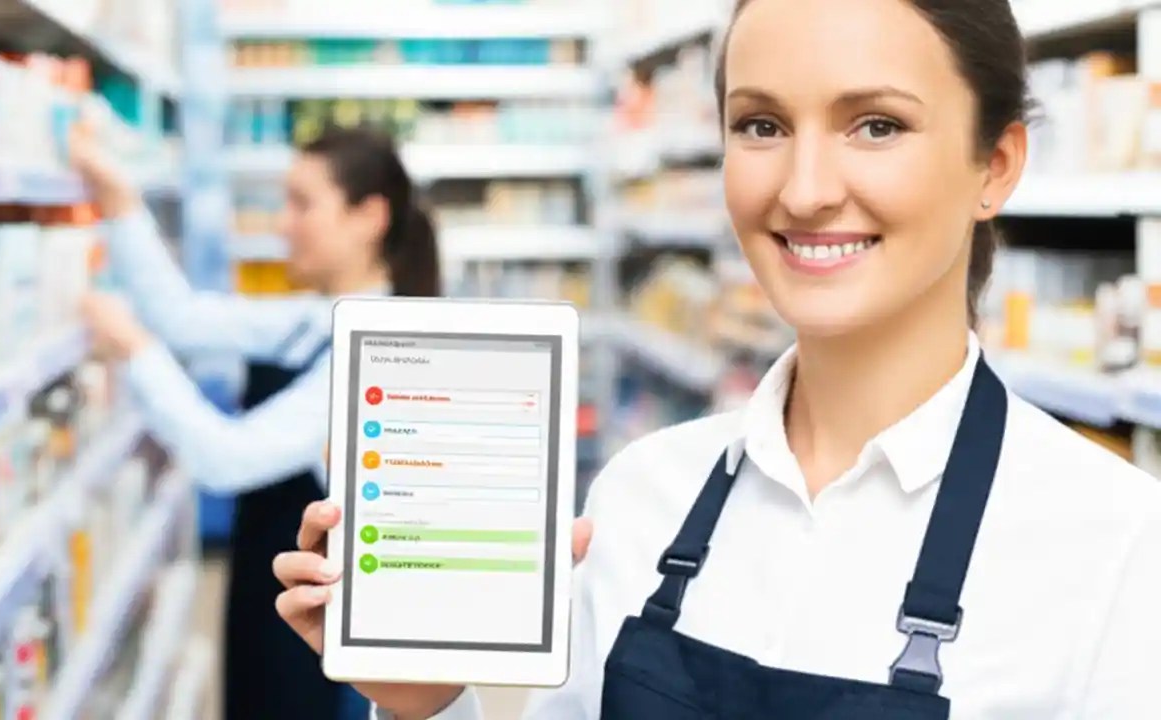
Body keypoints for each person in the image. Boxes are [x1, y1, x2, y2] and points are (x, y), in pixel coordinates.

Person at [271, 0, 1161, 718]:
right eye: (763, 124)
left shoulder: (1118, 547)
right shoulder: (642, 495)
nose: (805, 190)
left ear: (996, 166)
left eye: (877, 125)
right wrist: (428, 703)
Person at [70, 124, 441, 720]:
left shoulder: (383, 349)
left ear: (369, 216)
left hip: (312, 644)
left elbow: (228, 459)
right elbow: (185, 319)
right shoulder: (316, 319)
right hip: (271, 596)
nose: (282, 224)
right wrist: (118, 202)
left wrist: (134, 350)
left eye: (302, 203)